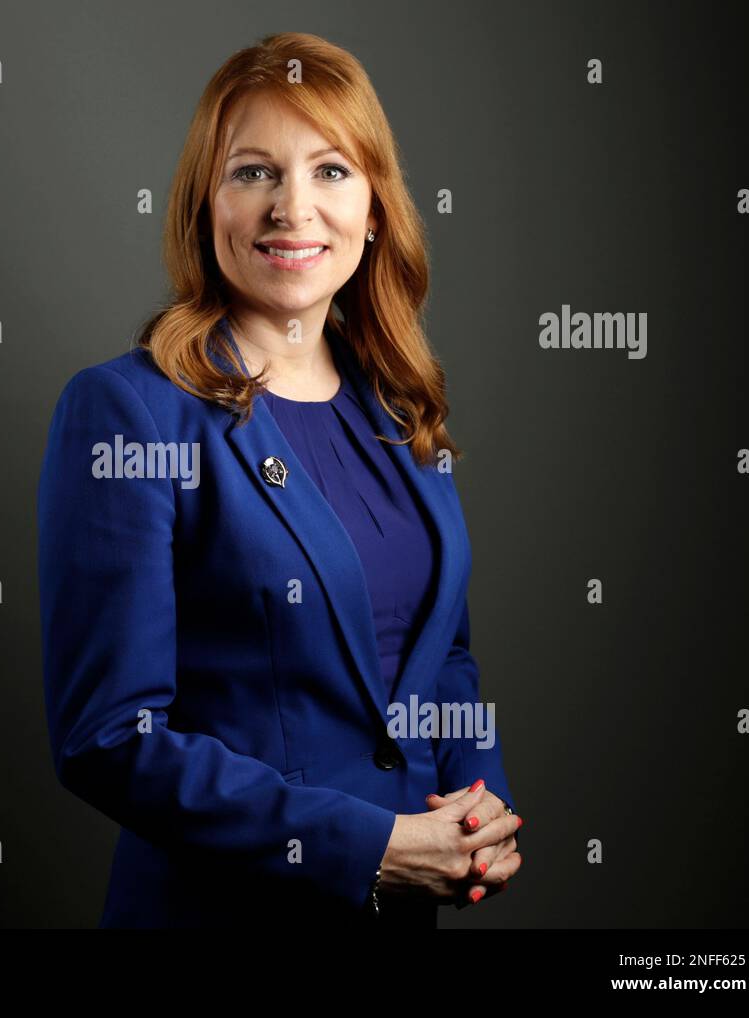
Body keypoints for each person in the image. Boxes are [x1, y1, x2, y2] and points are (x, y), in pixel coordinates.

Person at [37, 31, 522, 928]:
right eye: (255, 172)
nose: (292, 209)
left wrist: (477, 792)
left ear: (375, 208)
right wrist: (365, 846)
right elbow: (106, 740)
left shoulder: (401, 405)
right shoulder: (126, 413)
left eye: (331, 171)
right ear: (205, 203)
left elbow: (440, 657)